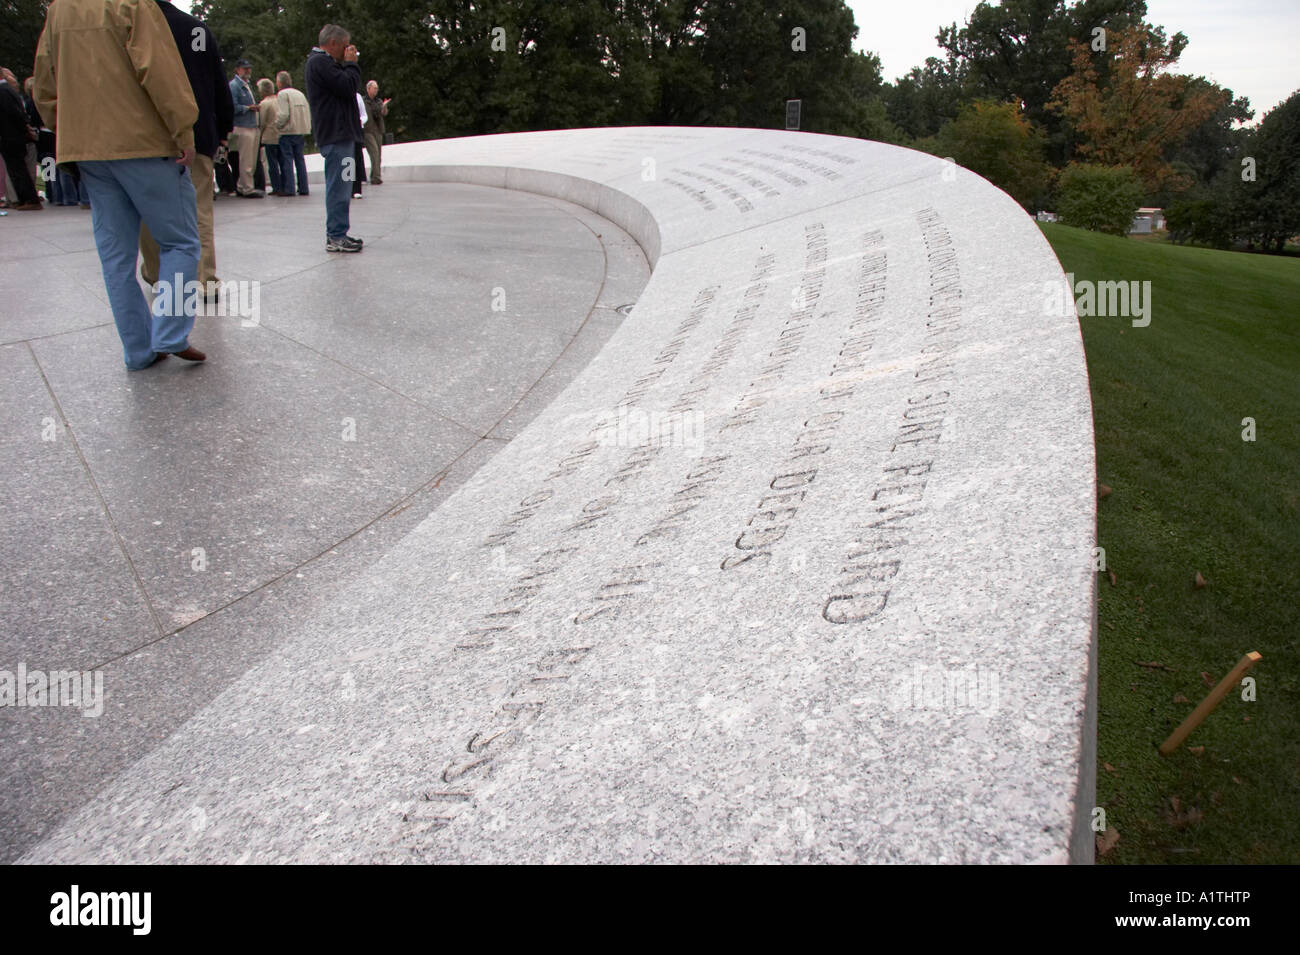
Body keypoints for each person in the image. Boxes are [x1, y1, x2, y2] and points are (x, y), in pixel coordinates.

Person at [33, 0, 206, 368]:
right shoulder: (134, 3)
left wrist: (69, 130)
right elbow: (159, 70)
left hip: (89, 149)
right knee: (180, 242)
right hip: (144, 142)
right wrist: (184, 130)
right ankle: (170, 333)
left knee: (115, 256)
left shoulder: (58, 11)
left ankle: (139, 351)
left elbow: (45, 86)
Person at [139, 0, 235, 302]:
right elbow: (218, 84)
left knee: (148, 211)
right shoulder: (196, 28)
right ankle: (203, 280)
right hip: (198, 129)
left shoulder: (134, 28)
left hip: (148, 135)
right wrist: (222, 130)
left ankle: (158, 275)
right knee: (199, 210)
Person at [305, 25, 363, 252]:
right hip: (336, 136)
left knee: (344, 184)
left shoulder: (325, 64)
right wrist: (351, 64)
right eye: (345, 45)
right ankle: (336, 235)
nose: (348, 50)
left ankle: (340, 231)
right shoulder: (320, 62)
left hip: (342, 136)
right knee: (339, 185)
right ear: (333, 43)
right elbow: (348, 86)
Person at [0, 67, 41, 210]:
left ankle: (29, 199)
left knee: (18, 169)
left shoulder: (3, 91)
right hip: (14, 135)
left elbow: (14, 114)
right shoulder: (7, 90)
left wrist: (24, 129)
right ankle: (25, 199)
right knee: (17, 169)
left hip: (10, 136)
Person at [228, 58, 262, 197]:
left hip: (252, 125)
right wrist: (249, 108)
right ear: (238, 69)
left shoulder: (248, 85)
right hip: (243, 126)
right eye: (245, 68)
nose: (248, 71)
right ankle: (247, 188)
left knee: (252, 160)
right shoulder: (234, 86)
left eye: (249, 68)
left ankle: (242, 185)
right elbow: (232, 107)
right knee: (246, 160)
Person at [274, 70, 310, 196]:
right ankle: (304, 187)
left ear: (279, 83)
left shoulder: (282, 94)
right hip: (300, 131)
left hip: (288, 131)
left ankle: (289, 188)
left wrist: (277, 125)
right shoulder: (299, 93)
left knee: (287, 160)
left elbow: (283, 114)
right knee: (300, 159)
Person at [256, 78, 281, 195]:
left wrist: (259, 136)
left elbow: (262, 122)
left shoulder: (264, 104)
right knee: (283, 162)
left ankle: (276, 186)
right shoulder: (279, 100)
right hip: (281, 135)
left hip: (270, 137)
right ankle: (285, 184)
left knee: (272, 163)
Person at [362, 80, 388, 185]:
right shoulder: (363, 101)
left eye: (377, 88)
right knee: (374, 153)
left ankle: (374, 176)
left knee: (378, 154)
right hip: (368, 130)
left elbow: (384, 113)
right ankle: (377, 177)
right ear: (368, 89)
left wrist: (384, 106)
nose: (376, 90)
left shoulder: (379, 101)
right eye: (374, 88)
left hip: (378, 130)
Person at [352, 91, 366, 199]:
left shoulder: (357, 97)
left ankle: (357, 188)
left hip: (356, 129)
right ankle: (347, 188)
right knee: (347, 159)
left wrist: (360, 121)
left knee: (357, 158)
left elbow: (364, 114)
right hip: (345, 131)